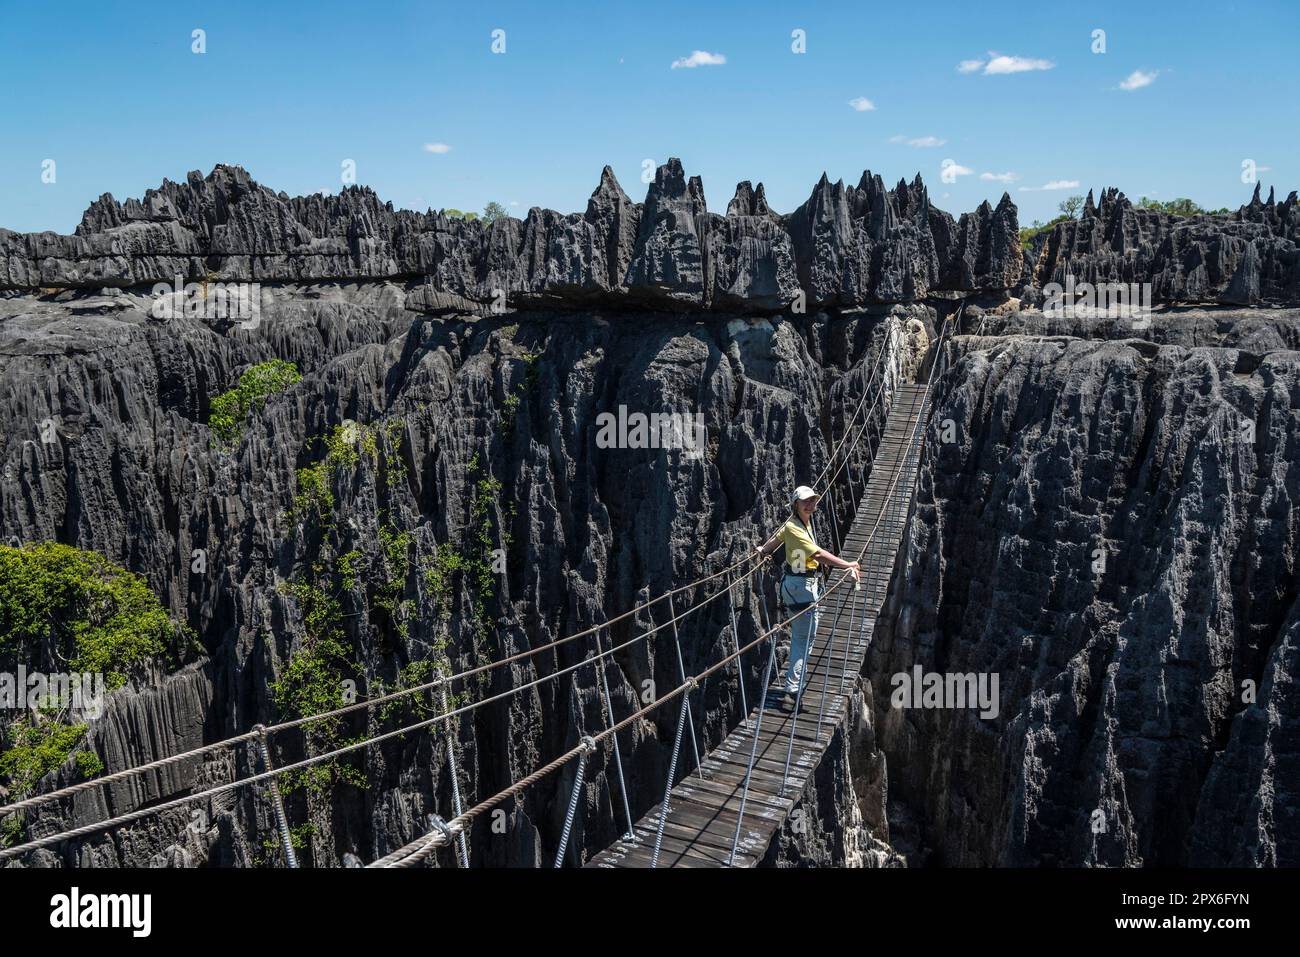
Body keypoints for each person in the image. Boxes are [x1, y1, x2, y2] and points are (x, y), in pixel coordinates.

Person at [755, 485, 860, 711]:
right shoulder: (795, 528)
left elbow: (777, 539)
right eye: (805, 501)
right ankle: (792, 693)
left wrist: (765, 549)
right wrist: (847, 565)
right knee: (804, 640)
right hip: (801, 587)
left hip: (799, 585)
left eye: (813, 500)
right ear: (796, 504)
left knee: (803, 637)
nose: (810, 504)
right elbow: (818, 554)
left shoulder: (797, 523)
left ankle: (793, 687)